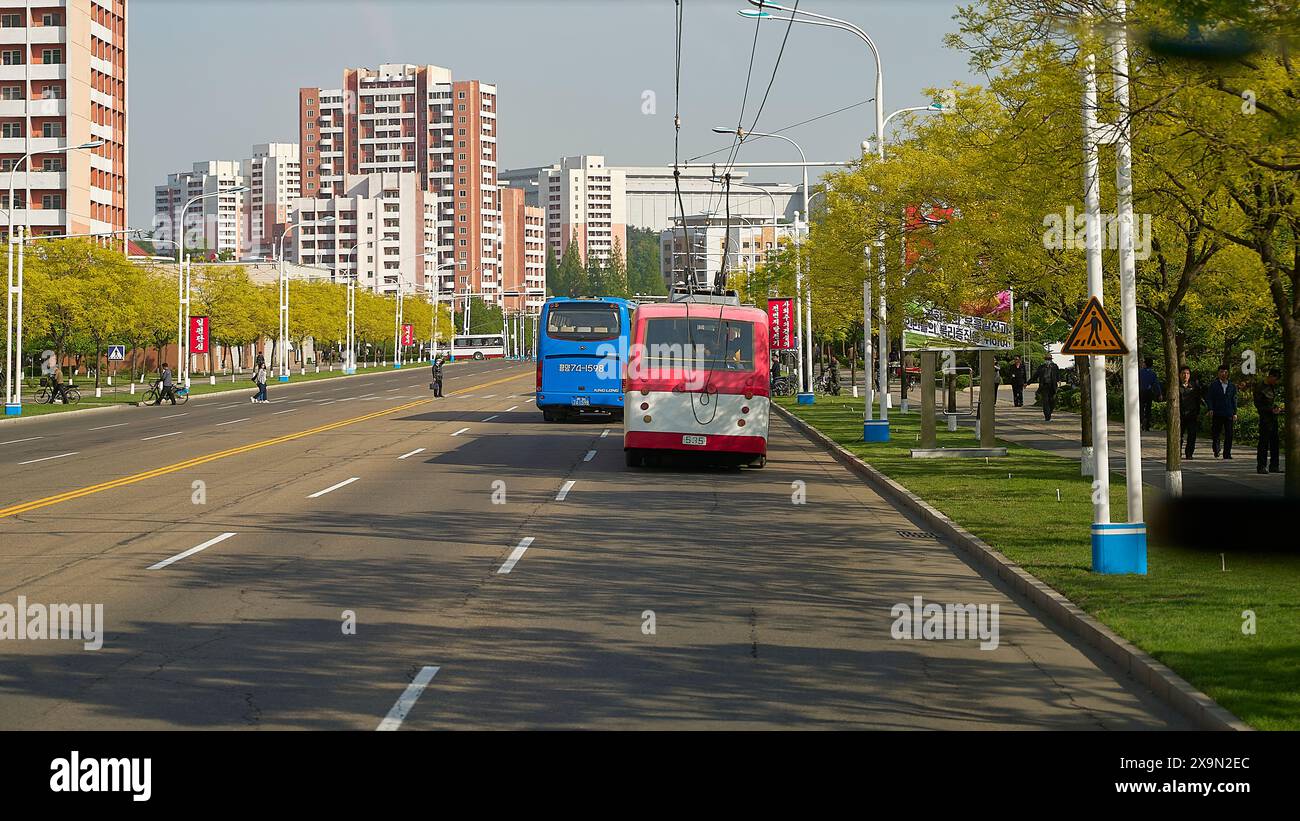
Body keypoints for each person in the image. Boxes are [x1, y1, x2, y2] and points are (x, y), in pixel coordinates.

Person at [1253, 368, 1282, 474]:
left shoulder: (1272, 387)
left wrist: (1276, 408)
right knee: (1264, 443)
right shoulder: (1260, 387)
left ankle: (1274, 465)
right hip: (1265, 419)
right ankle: (1261, 466)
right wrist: (1271, 410)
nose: (1276, 382)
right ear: (1270, 376)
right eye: (1275, 379)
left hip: (1273, 418)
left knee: (1275, 442)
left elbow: (1270, 402)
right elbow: (1259, 405)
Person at [1205, 364, 1237, 459]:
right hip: (1217, 412)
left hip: (1228, 413)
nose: (1224, 374)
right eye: (1222, 372)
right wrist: (1210, 408)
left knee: (1229, 434)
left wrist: (1235, 412)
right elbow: (1209, 398)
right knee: (1216, 433)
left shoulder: (1232, 386)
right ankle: (1216, 449)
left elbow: (1234, 399)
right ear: (1218, 373)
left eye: (1226, 372)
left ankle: (1227, 453)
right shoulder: (1214, 385)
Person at [1177, 366, 1203, 459]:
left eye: (1187, 373)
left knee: (1192, 435)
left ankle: (1189, 453)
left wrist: (1197, 412)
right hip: (1180, 415)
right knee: (1179, 436)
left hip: (1192, 414)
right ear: (1180, 375)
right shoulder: (1176, 386)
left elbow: (1198, 400)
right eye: (1183, 373)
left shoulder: (1194, 387)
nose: (1185, 375)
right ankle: (1177, 453)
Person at [1138, 357, 1163, 431]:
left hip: (1141, 391)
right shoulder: (1153, 373)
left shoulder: (1140, 372)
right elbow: (1156, 384)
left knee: (1141, 407)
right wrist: (1159, 394)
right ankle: (1147, 424)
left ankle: (1142, 421)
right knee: (1148, 408)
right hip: (1149, 392)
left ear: (1145, 364)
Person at [1035, 356, 1061, 421]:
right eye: (1046, 359)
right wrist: (1028, 383)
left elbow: (1058, 375)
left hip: (1052, 386)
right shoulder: (1041, 367)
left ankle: (1050, 411)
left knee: (1052, 401)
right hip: (1044, 386)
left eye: (1049, 359)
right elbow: (1035, 375)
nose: (1047, 361)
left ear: (1051, 360)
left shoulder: (1055, 366)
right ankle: (1047, 416)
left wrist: (1059, 380)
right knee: (1045, 401)